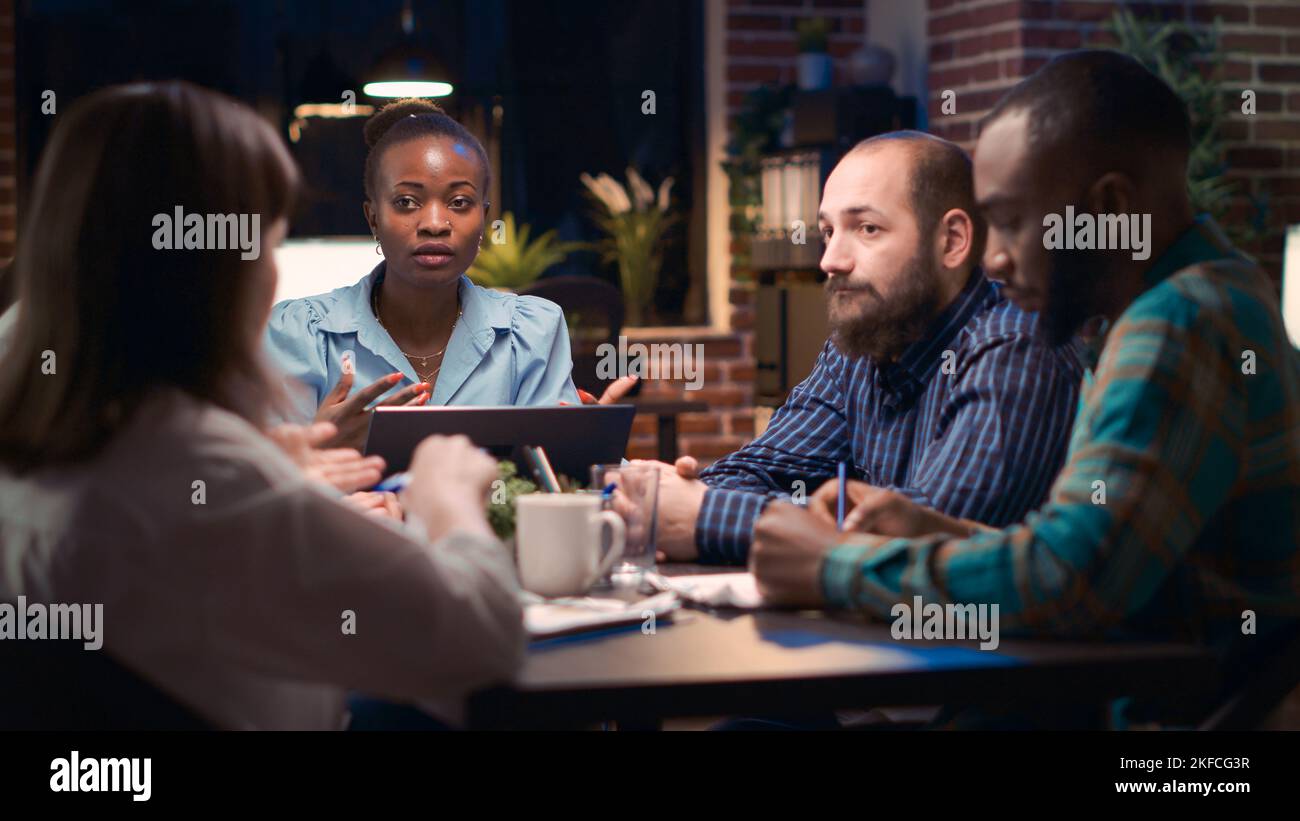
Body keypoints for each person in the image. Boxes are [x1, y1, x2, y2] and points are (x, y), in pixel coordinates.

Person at [750, 51, 1300, 724]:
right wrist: (941, 532)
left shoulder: (1179, 322)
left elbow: (1069, 584)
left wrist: (834, 566)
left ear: (1110, 207)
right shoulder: (1210, 291)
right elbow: (1089, 553)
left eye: (1011, 220)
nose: (992, 256)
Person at [0, 81, 523, 730]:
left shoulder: (40, 441)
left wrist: (275, 464)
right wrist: (448, 493)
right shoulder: (215, 487)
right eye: (268, 244)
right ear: (210, 274)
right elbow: (482, 643)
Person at [651, 132, 1086, 564]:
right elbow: (760, 468)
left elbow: (924, 532)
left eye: (867, 228)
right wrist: (686, 498)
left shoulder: (1016, 347)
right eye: (827, 231)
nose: (830, 261)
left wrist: (704, 513)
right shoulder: (861, 341)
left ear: (952, 241)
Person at [265, 98, 632, 450]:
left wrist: (584, 447)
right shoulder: (302, 334)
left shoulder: (531, 333)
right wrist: (314, 452)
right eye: (407, 202)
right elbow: (256, 495)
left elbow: (542, 488)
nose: (435, 224)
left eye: (459, 203)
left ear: (483, 219)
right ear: (373, 217)